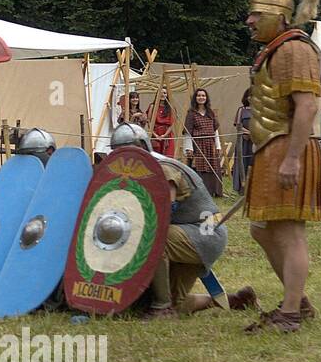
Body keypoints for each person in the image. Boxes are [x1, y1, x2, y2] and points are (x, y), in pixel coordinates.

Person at [225, 0, 321, 334]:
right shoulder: (275, 49)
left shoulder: (295, 50)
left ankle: (290, 314)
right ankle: (296, 301)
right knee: (261, 229)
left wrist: (293, 158)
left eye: (256, 15)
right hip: (272, 147)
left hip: (288, 147)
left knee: (287, 232)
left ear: (279, 17)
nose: (249, 21)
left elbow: (307, 107)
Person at [110, 123, 256, 317]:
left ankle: (162, 309)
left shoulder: (162, 168)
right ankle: (236, 300)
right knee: (176, 303)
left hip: (204, 232)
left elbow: (164, 211)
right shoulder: (140, 172)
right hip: (186, 234)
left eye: (126, 151)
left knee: (151, 238)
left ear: (142, 147)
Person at [183, 87, 223, 196]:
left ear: (206, 98)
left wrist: (218, 146)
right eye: (199, 95)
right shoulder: (191, 114)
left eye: (203, 96)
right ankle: (201, 192)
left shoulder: (210, 113)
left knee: (213, 166)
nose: (201, 97)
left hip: (211, 144)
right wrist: (189, 148)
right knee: (200, 168)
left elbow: (215, 130)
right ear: (195, 98)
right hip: (198, 145)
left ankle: (214, 191)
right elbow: (187, 132)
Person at [231, 89, 254, 194]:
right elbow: (238, 125)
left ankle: (253, 188)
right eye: (250, 96)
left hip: (256, 141)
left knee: (253, 163)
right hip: (243, 142)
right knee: (243, 162)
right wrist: (249, 133)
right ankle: (242, 188)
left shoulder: (260, 110)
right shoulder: (241, 110)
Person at [148, 88, 175, 157]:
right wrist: (155, 135)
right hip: (155, 133)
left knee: (168, 156)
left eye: (164, 93)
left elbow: (172, 124)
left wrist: (165, 135)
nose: (162, 95)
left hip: (167, 134)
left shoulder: (171, 107)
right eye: (160, 93)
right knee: (156, 157)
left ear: (167, 95)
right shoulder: (152, 106)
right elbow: (149, 122)